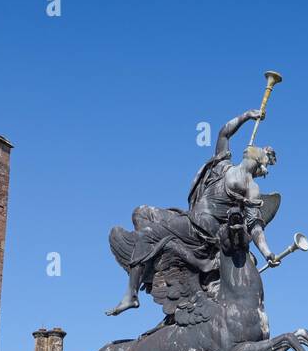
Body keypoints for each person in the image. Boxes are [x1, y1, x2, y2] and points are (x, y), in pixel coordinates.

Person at [106, 108, 281, 316]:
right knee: (141, 213)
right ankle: (159, 265)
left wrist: (267, 252)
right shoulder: (222, 165)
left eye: (259, 153)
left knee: (147, 234)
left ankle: (131, 295)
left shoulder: (251, 187)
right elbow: (224, 133)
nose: (254, 150)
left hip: (203, 229)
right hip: (191, 219)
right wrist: (247, 116)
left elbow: (255, 226)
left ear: (258, 161)